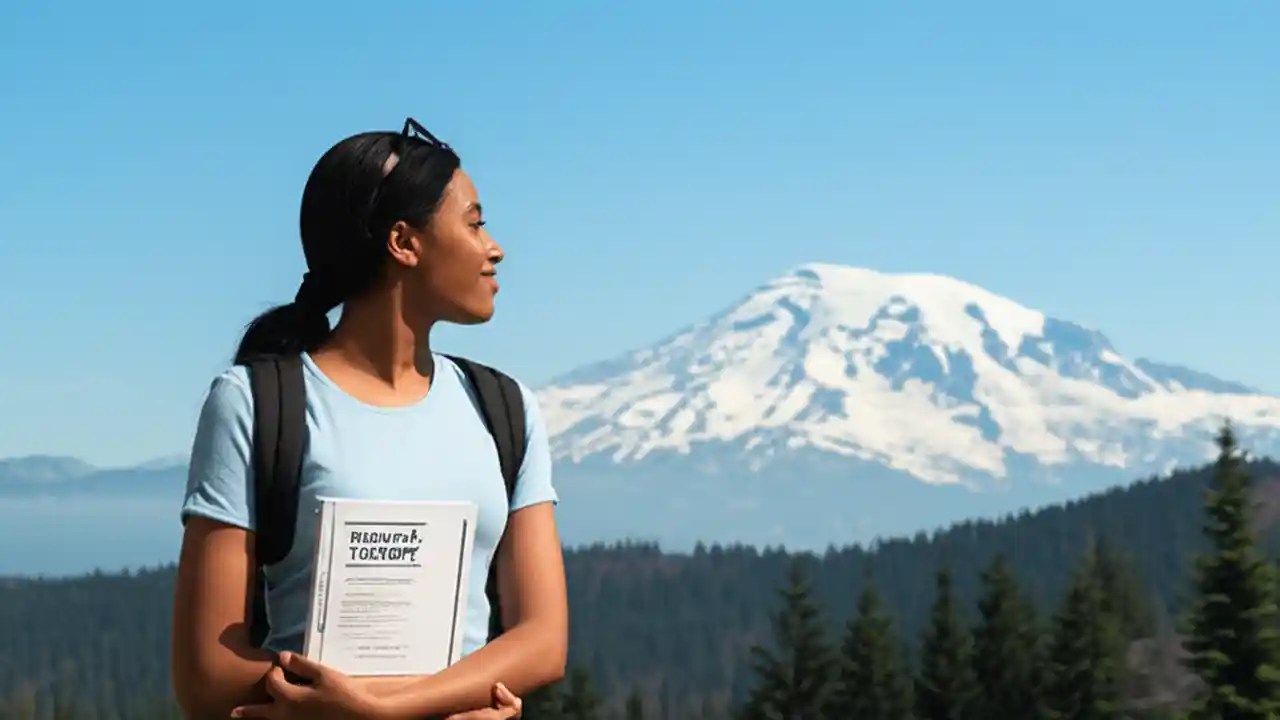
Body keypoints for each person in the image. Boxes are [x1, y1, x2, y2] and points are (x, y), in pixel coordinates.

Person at [170, 118, 568, 720]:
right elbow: (206, 673)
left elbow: (543, 641)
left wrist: (375, 709)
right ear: (404, 243)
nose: (495, 247)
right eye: (475, 222)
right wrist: (416, 706)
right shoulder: (254, 402)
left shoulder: (504, 409)